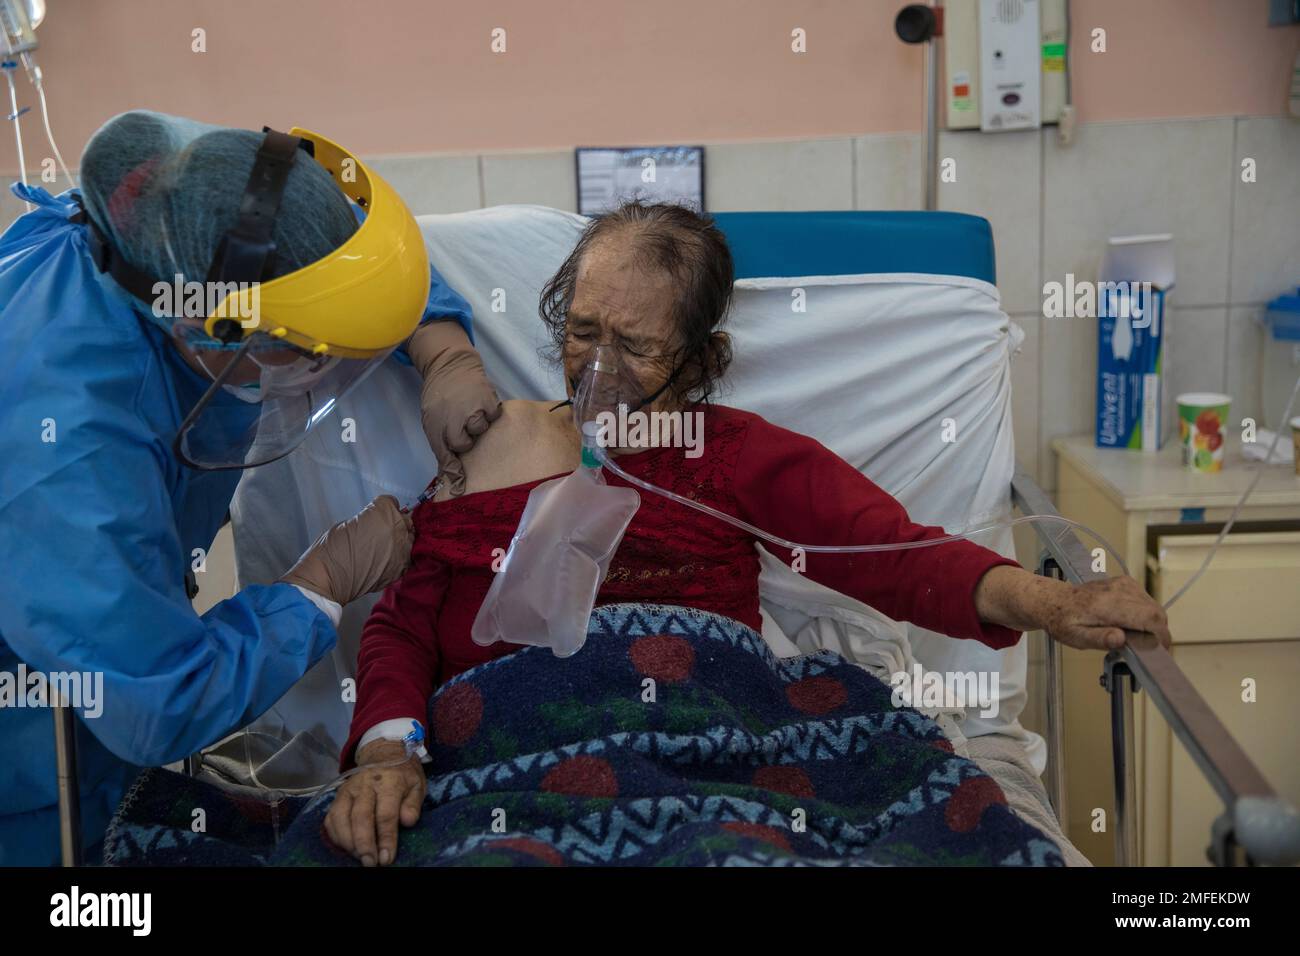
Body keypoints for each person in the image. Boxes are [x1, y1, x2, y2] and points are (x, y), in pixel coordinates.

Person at [322, 201, 1172, 866]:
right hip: (523, 742)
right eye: (583, 333)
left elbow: (894, 554)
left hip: (711, 734)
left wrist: (1052, 600)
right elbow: (405, 621)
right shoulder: (488, 441)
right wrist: (386, 748)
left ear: (696, 362)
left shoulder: (730, 456)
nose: (599, 368)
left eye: (636, 347)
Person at [0, 111, 499, 865]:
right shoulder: (71, 454)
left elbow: (323, 257)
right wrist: (319, 587)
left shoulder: (171, 226)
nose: (322, 378)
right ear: (213, 326)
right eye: (306, 356)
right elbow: (159, 698)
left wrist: (444, 349)